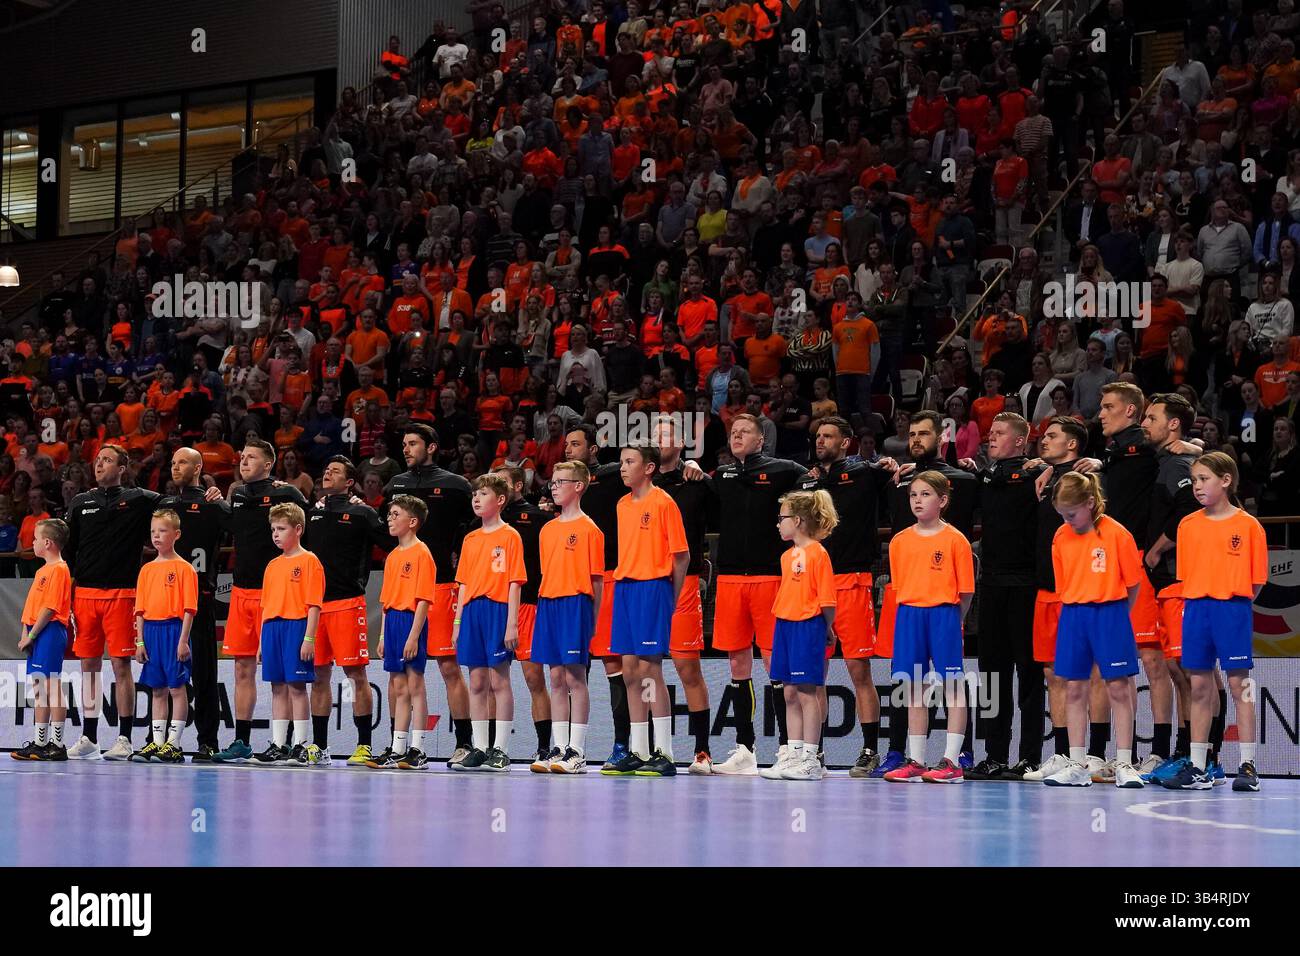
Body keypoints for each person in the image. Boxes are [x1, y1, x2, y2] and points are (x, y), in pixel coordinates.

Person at [688, 414, 807, 774]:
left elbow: (815, 483)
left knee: (776, 666)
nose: (737, 436)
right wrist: (691, 466)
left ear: (760, 440)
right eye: (733, 432)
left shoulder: (785, 470)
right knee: (738, 666)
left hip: (770, 578)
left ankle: (788, 748)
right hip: (730, 582)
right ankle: (746, 749)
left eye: (745, 432)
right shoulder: (721, 475)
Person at [1161, 453, 1265, 792]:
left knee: (1240, 686)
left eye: (1204, 479)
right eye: (1194, 480)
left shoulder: (1249, 526)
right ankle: (1198, 765)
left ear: (1225, 480)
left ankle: (1248, 765)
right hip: (1196, 610)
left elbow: (1257, 581)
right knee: (1200, 686)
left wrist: (1232, 603)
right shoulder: (1187, 525)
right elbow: (1187, 576)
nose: (1197, 486)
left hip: (1232, 609)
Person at [799, 417, 895, 777]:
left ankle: (869, 750)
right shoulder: (806, 480)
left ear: (846, 442)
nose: (820, 441)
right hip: (813, 583)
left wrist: (894, 464)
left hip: (853, 580)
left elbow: (901, 476)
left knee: (859, 670)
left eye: (828, 436)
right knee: (814, 674)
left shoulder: (866, 472)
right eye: (818, 436)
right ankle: (814, 752)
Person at [1041, 472, 1145, 789]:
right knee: (1073, 688)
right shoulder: (1060, 536)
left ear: (1089, 502)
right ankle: (1076, 763)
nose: (1068, 520)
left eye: (1072, 514)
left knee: (1118, 688)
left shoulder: (1117, 534)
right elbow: (1064, 583)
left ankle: (1125, 763)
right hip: (1073, 615)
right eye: (1062, 514)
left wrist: (1114, 615)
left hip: (1110, 613)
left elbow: (1133, 585)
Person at [382, 424, 476, 766]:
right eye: (403, 444)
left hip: (442, 586)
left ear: (432, 447)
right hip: (405, 593)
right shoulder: (396, 485)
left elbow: (474, 526)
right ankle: (398, 745)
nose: (406, 449)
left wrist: (457, 555)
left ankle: (464, 742)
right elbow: (386, 532)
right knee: (398, 677)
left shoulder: (455, 485)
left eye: (413, 444)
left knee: (449, 667)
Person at [212, 439, 310, 763]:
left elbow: (307, 525)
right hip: (240, 593)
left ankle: (291, 742)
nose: (244, 461)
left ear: (268, 465)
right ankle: (242, 740)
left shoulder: (287, 493)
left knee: (281, 676)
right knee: (242, 669)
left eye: (252, 457)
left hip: (276, 597)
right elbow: (230, 525)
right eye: (243, 456)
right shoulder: (237, 493)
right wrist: (216, 502)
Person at [63, 444, 160, 760]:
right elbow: (69, 549)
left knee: (121, 666)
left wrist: (210, 492)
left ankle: (124, 738)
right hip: (86, 596)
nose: (99, 464)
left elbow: (179, 505)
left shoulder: (141, 500)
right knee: (88, 666)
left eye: (107, 460)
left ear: (123, 467)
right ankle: (89, 737)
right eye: (97, 460)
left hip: (123, 594)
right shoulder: (80, 502)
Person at [882, 471, 975, 783]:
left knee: (952, 687)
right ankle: (917, 760)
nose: (918, 500)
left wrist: (953, 621)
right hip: (909, 614)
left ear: (943, 500)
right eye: (913, 495)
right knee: (914, 689)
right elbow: (901, 583)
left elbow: (967, 591)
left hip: (944, 614)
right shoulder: (899, 541)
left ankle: (952, 761)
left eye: (925, 494)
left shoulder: (956, 540)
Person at [602, 445, 689, 777]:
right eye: (622, 462)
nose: (622, 467)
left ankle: (664, 752)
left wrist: (671, 597)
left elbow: (681, 556)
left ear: (649, 467)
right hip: (624, 587)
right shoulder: (622, 504)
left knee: (650, 670)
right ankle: (637, 750)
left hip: (653, 587)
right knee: (629, 671)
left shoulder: (664, 502)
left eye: (629, 462)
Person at [968, 412, 1044, 780]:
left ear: (1020, 441)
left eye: (999, 433)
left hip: (1027, 585)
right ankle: (995, 755)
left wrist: (1045, 466)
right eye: (990, 432)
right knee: (993, 678)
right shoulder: (983, 476)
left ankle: (1030, 757)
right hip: (992, 585)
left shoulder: (1037, 473)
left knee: (1029, 675)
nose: (990, 438)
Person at [304, 456, 387, 766]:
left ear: (350, 482)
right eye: (326, 469)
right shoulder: (314, 514)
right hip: (316, 607)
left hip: (348, 603)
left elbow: (393, 543)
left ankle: (364, 745)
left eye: (335, 470)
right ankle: (319, 746)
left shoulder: (362, 513)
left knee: (356, 674)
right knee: (319, 676)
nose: (328, 472)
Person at [1023, 416, 1091, 783]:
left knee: (1083, 676)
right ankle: (1064, 754)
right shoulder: (1046, 477)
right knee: (1052, 673)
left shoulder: (1086, 479)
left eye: (1051, 436)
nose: (1043, 440)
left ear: (1073, 445)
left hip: (1076, 595)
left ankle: (1091, 756)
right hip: (1044, 591)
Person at [530, 460, 604, 774]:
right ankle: (559, 747)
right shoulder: (546, 530)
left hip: (576, 604)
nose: (554, 486)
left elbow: (597, 580)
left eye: (561, 481)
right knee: (556, 678)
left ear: (579, 486)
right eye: (553, 481)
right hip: (548, 603)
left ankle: (577, 750)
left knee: (576, 678)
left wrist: (592, 621)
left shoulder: (590, 530)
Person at [156, 448, 229, 761]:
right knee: (164, 677)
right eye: (172, 462)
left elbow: (240, 523)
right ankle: (160, 741)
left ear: (198, 467)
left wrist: (223, 500)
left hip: (200, 599)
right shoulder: (164, 505)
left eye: (182, 462)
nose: (175, 467)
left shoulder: (213, 505)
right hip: (164, 604)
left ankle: (208, 741)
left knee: (204, 675)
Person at [761, 490, 839, 782]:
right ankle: (793, 754)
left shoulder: (819, 553)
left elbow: (827, 600)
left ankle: (810, 758)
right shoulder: (786, 556)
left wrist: (826, 627)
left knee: (807, 692)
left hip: (809, 625)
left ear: (797, 520)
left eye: (781, 518)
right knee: (790, 692)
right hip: (785, 624)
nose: (778, 524)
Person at [653, 419, 717, 774]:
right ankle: (653, 748)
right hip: (646, 583)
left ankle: (702, 752)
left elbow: (728, 503)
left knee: (687, 667)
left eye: (665, 434)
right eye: (655, 435)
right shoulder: (641, 485)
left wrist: (701, 474)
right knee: (646, 668)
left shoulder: (696, 483)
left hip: (685, 582)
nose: (659, 440)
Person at [452, 474, 526, 772]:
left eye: (483, 494)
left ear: (500, 500)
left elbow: (514, 582)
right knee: (478, 682)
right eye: (474, 494)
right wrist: (457, 622)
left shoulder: (510, 536)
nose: (476, 499)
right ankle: (480, 747)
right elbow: (464, 584)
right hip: (472, 613)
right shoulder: (470, 538)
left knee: (499, 680)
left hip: (498, 610)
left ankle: (501, 750)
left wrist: (512, 623)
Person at [490, 464, 555, 771]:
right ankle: (492, 747)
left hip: (529, 604)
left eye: (500, 482)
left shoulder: (540, 518)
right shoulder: (485, 523)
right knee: (492, 680)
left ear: (516, 486)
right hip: (493, 607)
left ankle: (544, 747)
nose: (493, 487)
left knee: (533, 678)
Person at [368, 495, 437, 769]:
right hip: (394, 621)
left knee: (415, 685)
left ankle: (418, 748)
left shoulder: (422, 553)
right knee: (398, 687)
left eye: (395, 514)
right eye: (390, 514)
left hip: (412, 621)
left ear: (412, 521)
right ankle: (398, 747)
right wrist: (384, 636)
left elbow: (423, 600)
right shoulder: (393, 557)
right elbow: (386, 602)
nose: (390, 519)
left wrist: (413, 636)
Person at [253, 503, 325, 765]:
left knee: (296, 687)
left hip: (297, 626)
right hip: (273, 628)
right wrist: (262, 641)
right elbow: (265, 607)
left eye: (281, 529)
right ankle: (278, 744)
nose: (276, 534)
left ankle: (300, 745)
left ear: (298, 529)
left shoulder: (309, 561)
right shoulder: (272, 565)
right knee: (277, 687)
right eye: (273, 529)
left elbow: (314, 604)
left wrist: (309, 638)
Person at [131, 510, 198, 763]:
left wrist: (182, 640)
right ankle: (157, 743)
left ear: (176, 534)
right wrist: (139, 641)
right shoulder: (146, 570)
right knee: (157, 690)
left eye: (162, 530)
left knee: (176, 688)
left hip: (174, 630)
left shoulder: (184, 569)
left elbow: (189, 609)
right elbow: (140, 610)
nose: (156, 536)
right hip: (151, 632)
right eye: (153, 531)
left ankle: (174, 743)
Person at [12, 518, 72, 761]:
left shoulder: (59, 569)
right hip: (36, 632)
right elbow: (31, 609)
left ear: (47, 543)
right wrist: (25, 634)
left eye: (35, 539)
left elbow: (49, 608)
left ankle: (57, 744)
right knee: (39, 688)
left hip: (49, 631)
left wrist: (33, 634)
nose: (32, 543)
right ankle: (40, 741)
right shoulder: (42, 571)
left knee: (52, 687)